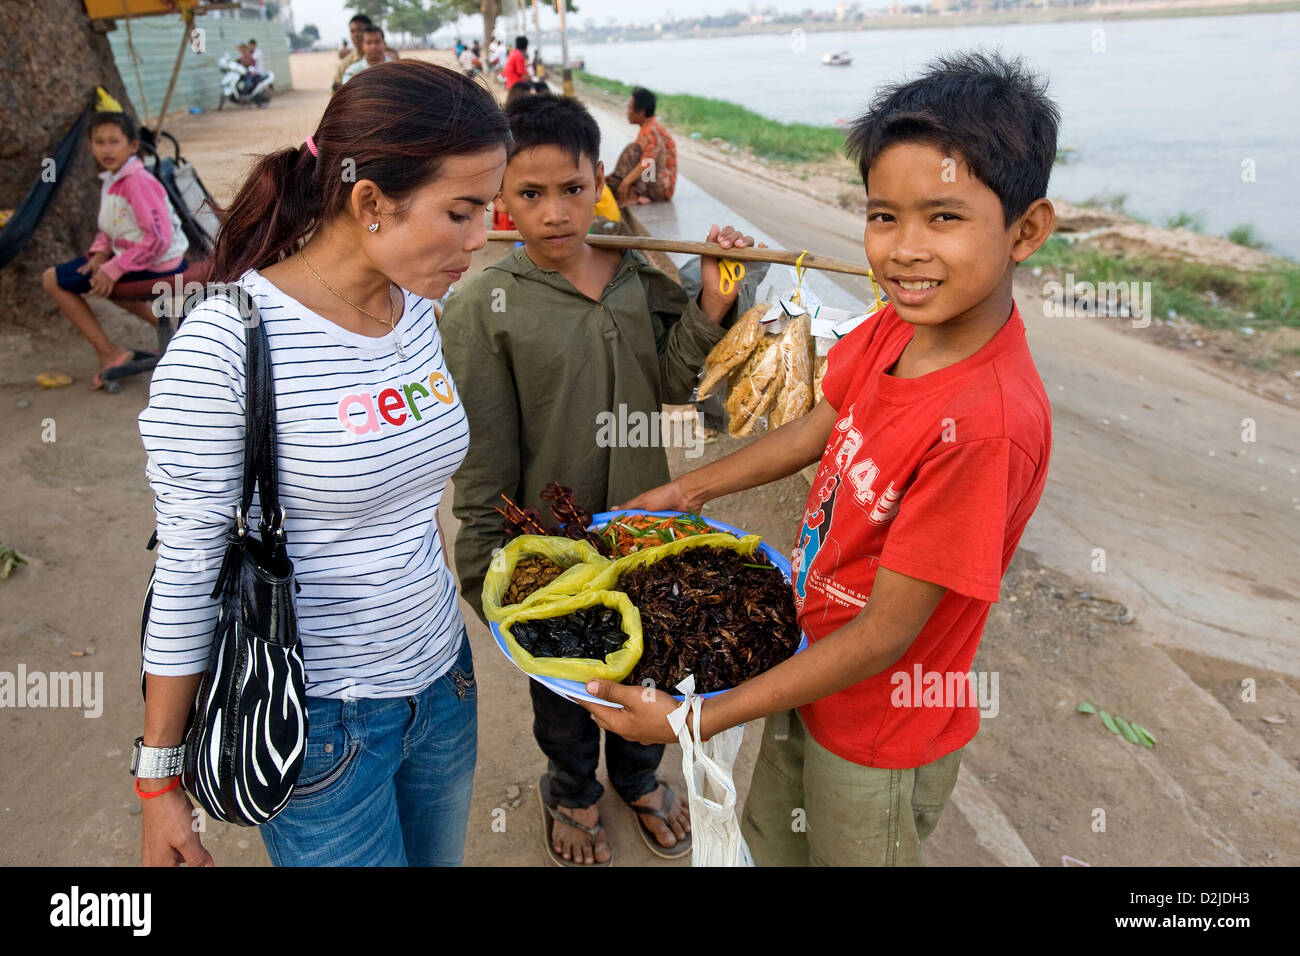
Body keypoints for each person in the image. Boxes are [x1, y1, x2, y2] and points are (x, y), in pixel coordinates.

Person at [577, 51, 1059, 867]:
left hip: (880, 725)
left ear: (1026, 229)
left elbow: (884, 639)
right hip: (805, 663)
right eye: (884, 216)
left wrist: (691, 720)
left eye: (944, 217)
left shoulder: (986, 426)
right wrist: (684, 491)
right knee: (771, 845)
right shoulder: (895, 328)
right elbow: (819, 431)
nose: (904, 251)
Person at [135, 61, 511, 867]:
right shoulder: (224, 347)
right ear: (370, 201)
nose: (483, 237)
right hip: (316, 726)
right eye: (463, 210)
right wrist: (158, 782)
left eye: (490, 208)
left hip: (444, 685)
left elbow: (410, 499)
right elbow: (187, 570)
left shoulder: (418, 307)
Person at [440, 93, 757, 866]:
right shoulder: (486, 306)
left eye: (573, 190)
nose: (555, 213)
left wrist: (715, 301)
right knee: (569, 691)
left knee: (652, 660)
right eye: (530, 194)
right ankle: (574, 789)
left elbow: (680, 381)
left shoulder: (635, 276)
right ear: (500, 200)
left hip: (646, 529)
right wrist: (486, 570)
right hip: (552, 549)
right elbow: (484, 460)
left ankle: (642, 777)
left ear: (597, 185)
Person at [40, 111, 188, 390]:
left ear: (132, 145)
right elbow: (112, 227)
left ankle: (110, 354)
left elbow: (158, 239)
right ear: (90, 145)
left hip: (159, 262)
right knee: (99, 280)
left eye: (114, 141)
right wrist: (99, 255)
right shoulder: (114, 178)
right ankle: (180, 335)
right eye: (99, 142)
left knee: (53, 279)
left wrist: (114, 267)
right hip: (137, 258)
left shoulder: (136, 182)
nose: (106, 149)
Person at [605, 87, 676, 205]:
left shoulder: (651, 131)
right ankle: (615, 182)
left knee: (633, 150)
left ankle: (630, 191)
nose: (627, 112)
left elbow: (647, 162)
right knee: (634, 149)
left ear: (641, 112)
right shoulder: (648, 128)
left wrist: (625, 184)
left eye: (629, 108)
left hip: (659, 188)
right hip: (652, 181)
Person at [332, 13, 371, 90]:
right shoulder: (345, 64)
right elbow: (334, 93)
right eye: (352, 31)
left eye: (360, 30)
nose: (356, 35)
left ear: (370, 31)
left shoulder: (386, 58)